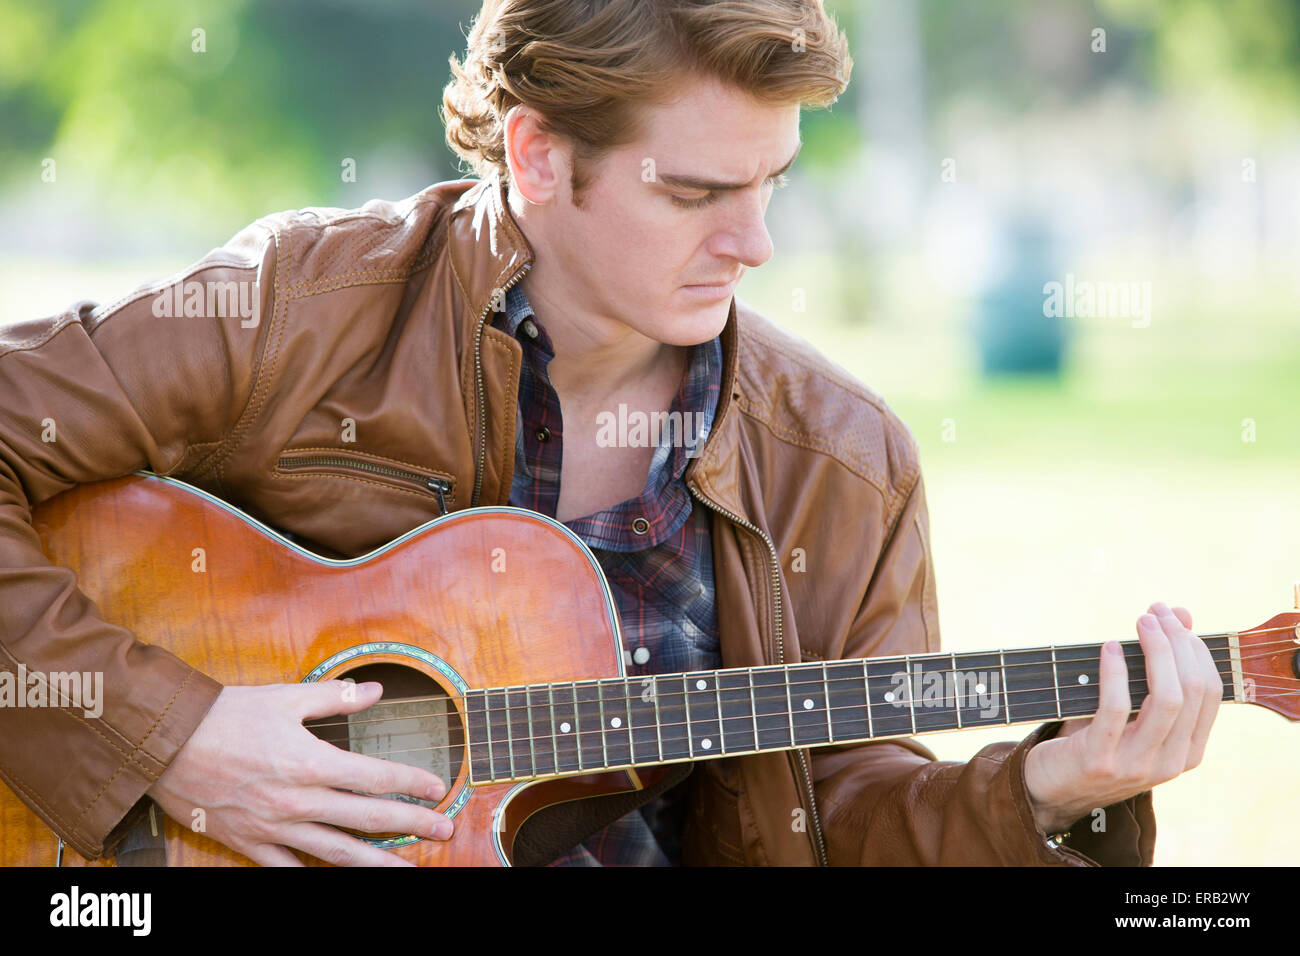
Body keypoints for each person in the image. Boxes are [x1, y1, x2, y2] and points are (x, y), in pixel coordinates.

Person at [0, 0, 1222, 867]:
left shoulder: (839, 461)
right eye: (694, 192)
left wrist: (1049, 787)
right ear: (539, 154)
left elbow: (840, 811)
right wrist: (175, 736)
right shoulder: (300, 311)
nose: (756, 245)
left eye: (773, 182)